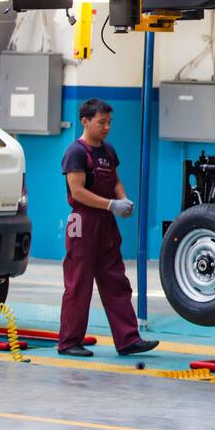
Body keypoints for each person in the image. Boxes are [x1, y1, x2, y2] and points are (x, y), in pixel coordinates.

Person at [59, 98, 157, 358]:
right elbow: (78, 192)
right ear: (85, 121)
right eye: (101, 122)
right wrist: (111, 205)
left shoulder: (108, 151)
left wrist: (122, 199)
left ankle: (128, 339)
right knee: (79, 283)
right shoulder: (76, 153)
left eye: (109, 122)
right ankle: (69, 342)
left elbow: (115, 180)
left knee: (116, 280)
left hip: (106, 224)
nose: (106, 127)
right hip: (84, 223)